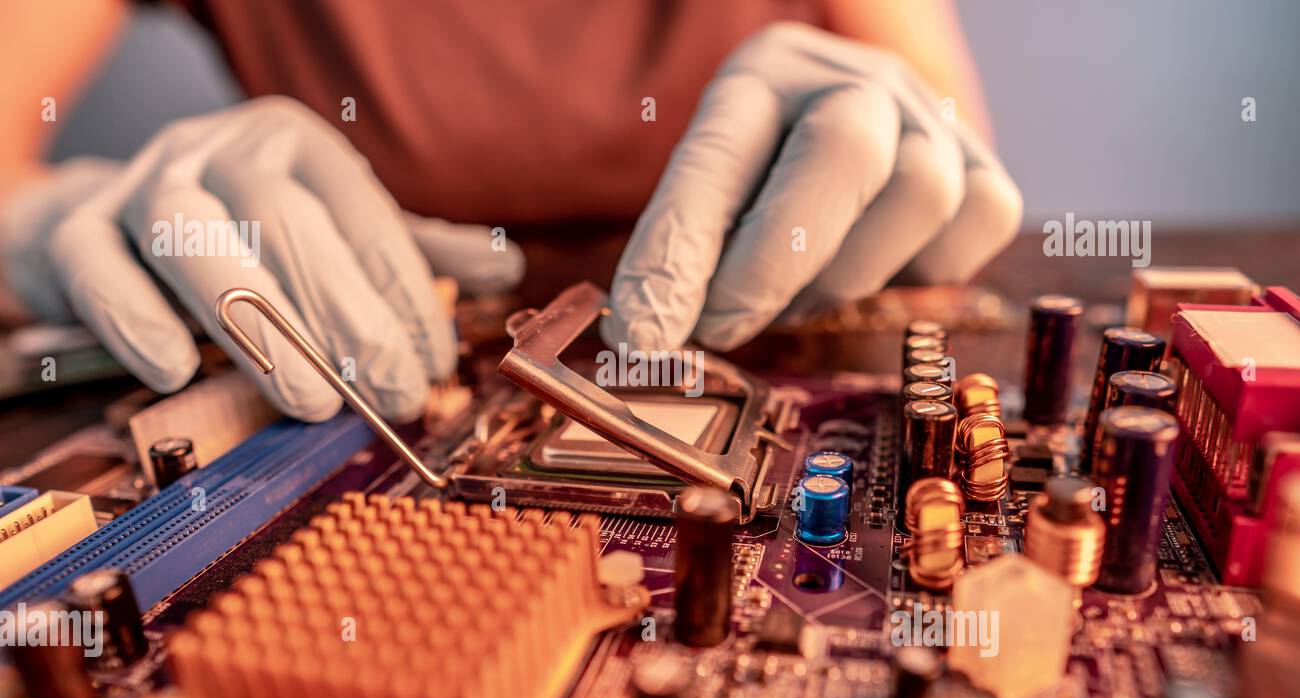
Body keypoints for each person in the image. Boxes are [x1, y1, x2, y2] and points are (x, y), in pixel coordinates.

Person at [0, 0, 1021, 423]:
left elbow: (938, 116)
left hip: (769, 371)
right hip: (345, 394)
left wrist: (906, 137)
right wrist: (51, 222)